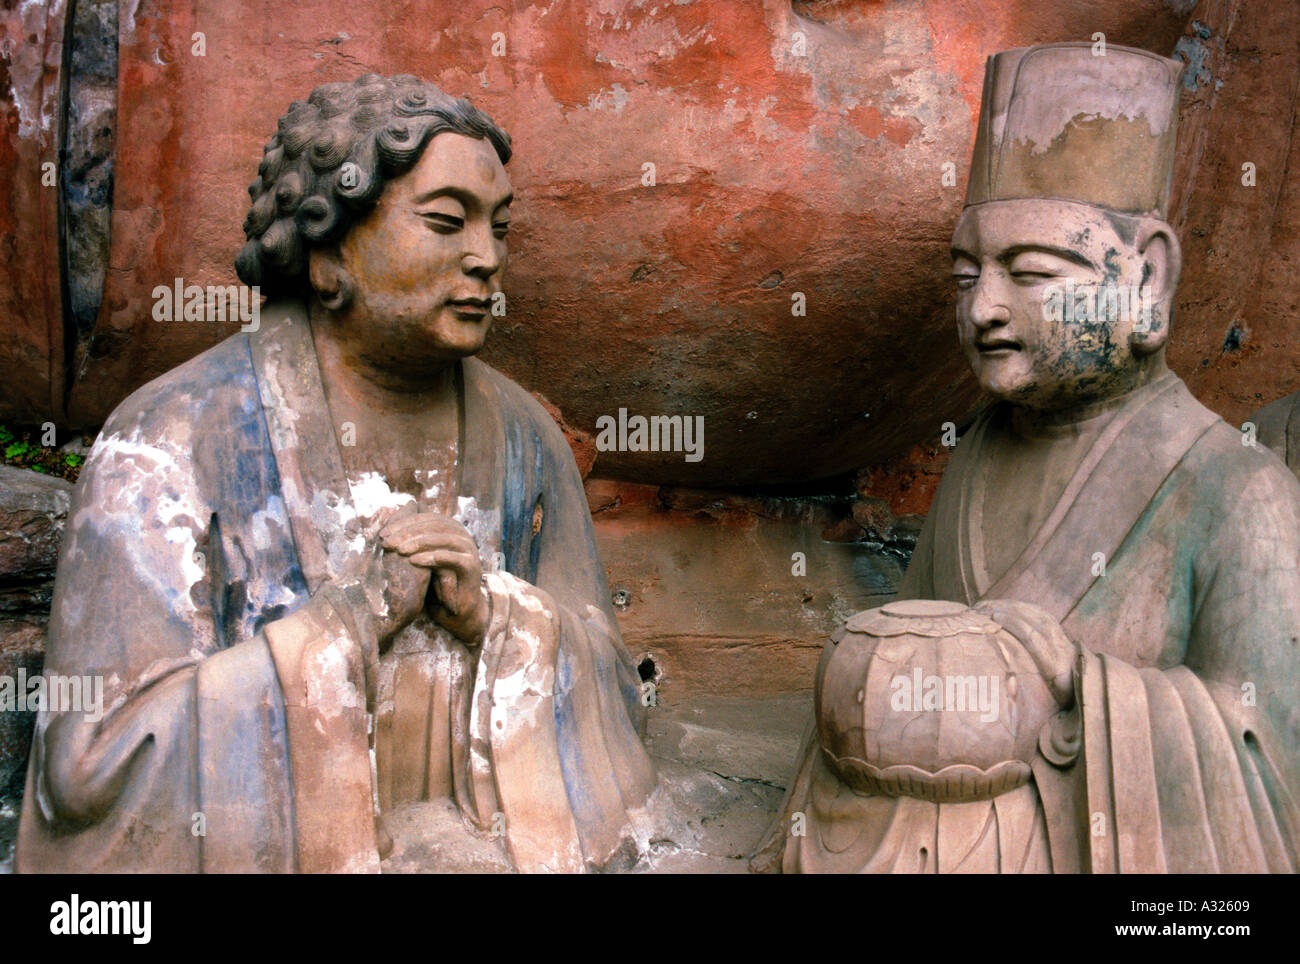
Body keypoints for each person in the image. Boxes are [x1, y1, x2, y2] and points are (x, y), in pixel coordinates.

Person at [18, 74, 655, 873]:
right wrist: (347, 627)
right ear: (326, 252)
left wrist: (496, 616)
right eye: (447, 221)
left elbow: (618, 697)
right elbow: (92, 770)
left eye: (500, 228)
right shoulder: (170, 436)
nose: (487, 258)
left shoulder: (527, 437)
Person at [757, 43, 1300, 873]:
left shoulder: (1243, 490)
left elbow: (1271, 770)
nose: (983, 309)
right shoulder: (977, 453)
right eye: (966, 273)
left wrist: (1085, 686)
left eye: (1031, 272)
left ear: (1147, 283)